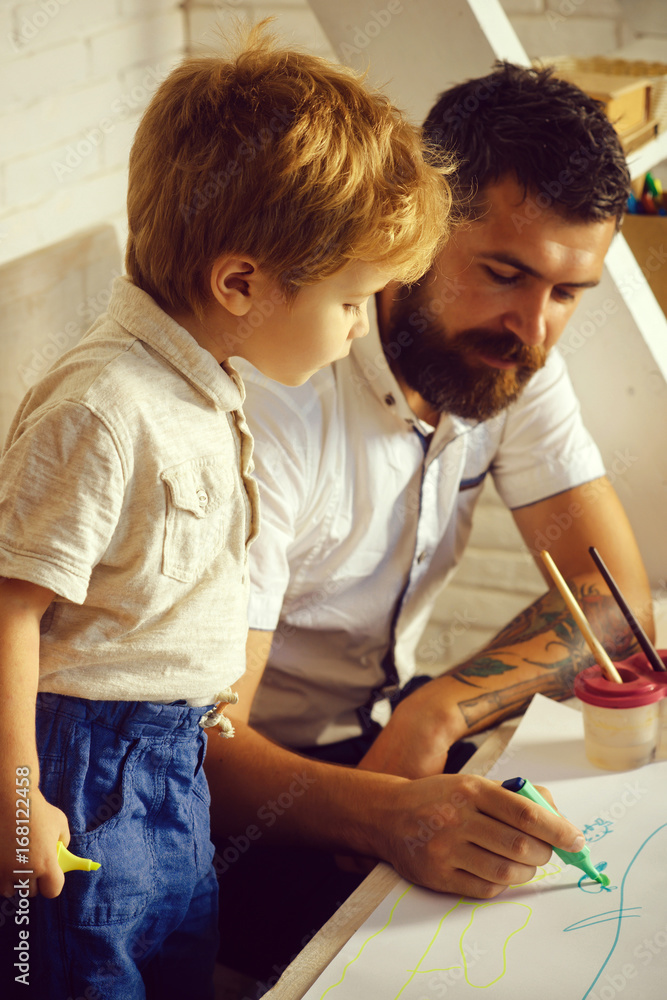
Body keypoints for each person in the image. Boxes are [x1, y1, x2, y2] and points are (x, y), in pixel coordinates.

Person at [0, 25, 451, 999]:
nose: (355, 331)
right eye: (349, 302)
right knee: (83, 975)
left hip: (173, 766)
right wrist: (20, 796)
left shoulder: (210, 383)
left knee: (179, 971)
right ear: (241, 283)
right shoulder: (102, 406)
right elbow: (10, 610)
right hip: (88, 768)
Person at [205, 62, 654, 988]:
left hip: (392, 722)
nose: (534, 326)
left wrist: (438, 705)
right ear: (414, 220)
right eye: (503, 272)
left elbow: (617, 603)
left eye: (569, 294)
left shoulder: (507, 353)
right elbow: (197, 748)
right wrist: (380, 813)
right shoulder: (277, 395)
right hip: (243, 792)